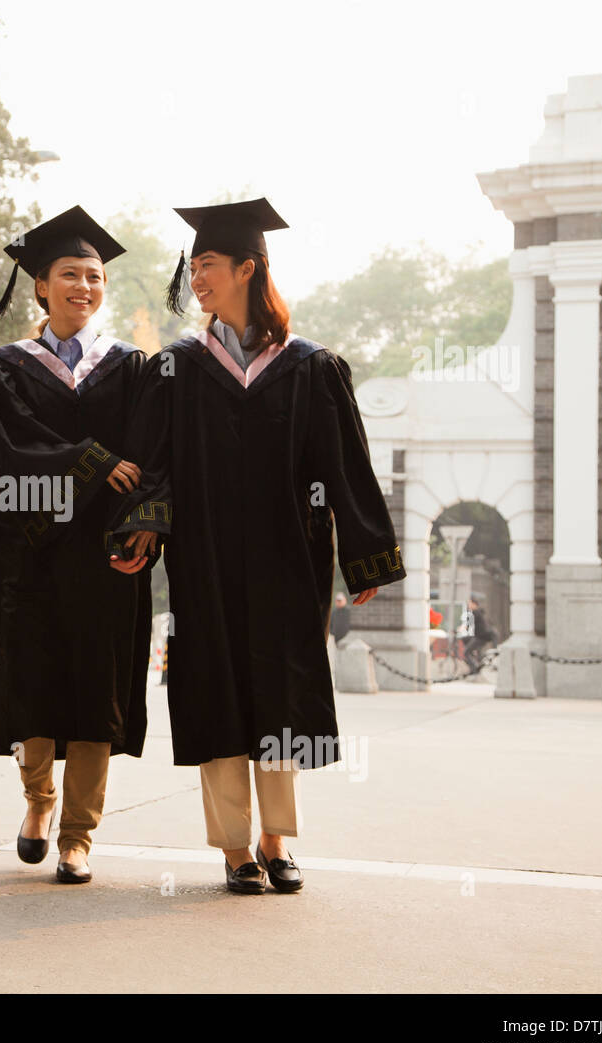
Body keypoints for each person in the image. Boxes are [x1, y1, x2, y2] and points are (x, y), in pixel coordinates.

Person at [156, 197, 405, 894]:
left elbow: (345, 464)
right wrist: (141, 526)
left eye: (207, 264)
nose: (196, 277)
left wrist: (364, 553)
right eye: (192, 265)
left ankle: (275, 839)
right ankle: (234, 848)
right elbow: (155, 461)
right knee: (216, 690)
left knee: (279, 691)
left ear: (247, 267)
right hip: (203, 559)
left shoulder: (309, 367)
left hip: (287, 560)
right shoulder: (178, 369)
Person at [0, 206, 168, 885]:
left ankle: (78, 836)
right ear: (40, 286)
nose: (84, 286)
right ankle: (37, 802)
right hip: (30, 554)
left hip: (104, 554)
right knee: (33, 686)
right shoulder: (4, 370)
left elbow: (153, 453)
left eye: (94, 277)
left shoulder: (131, 369)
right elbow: (7, 449)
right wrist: (89, 460)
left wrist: (144, 524)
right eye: (69, 275)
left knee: (97, 694)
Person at [465, 596, 496, 669]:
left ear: (474, 604)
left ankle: (475, 669)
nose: (468, 605)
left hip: (480, 637)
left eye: (469, 603)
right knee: (478, 654)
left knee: (466, 652)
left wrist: (461, 629)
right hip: (484, 636)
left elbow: (468, 625)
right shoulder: (479, 612)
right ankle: (481, 666)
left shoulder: (475, 612)